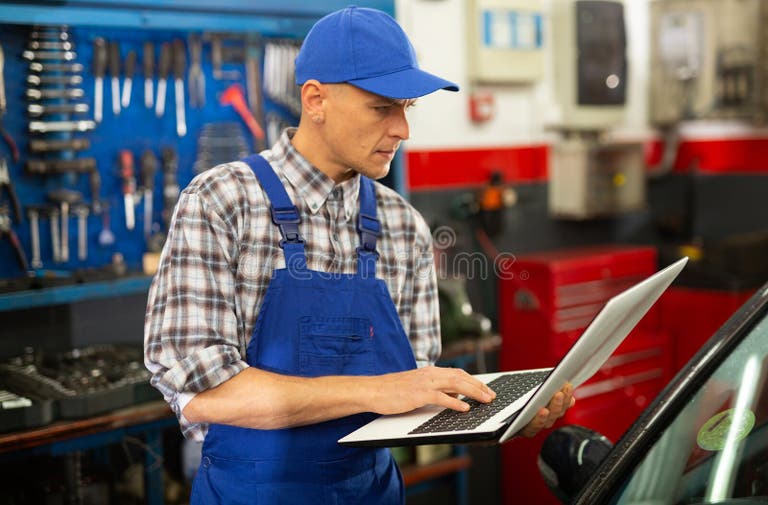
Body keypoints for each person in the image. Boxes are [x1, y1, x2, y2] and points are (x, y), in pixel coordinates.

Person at [144, 6, 574, 504]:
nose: (402, 130)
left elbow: (411, 396)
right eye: (381, 108)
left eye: (407, 107)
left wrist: (495, 415)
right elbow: (201, 394)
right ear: (315, 99)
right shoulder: (223, 201)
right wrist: (373, 391)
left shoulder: (401, 226)